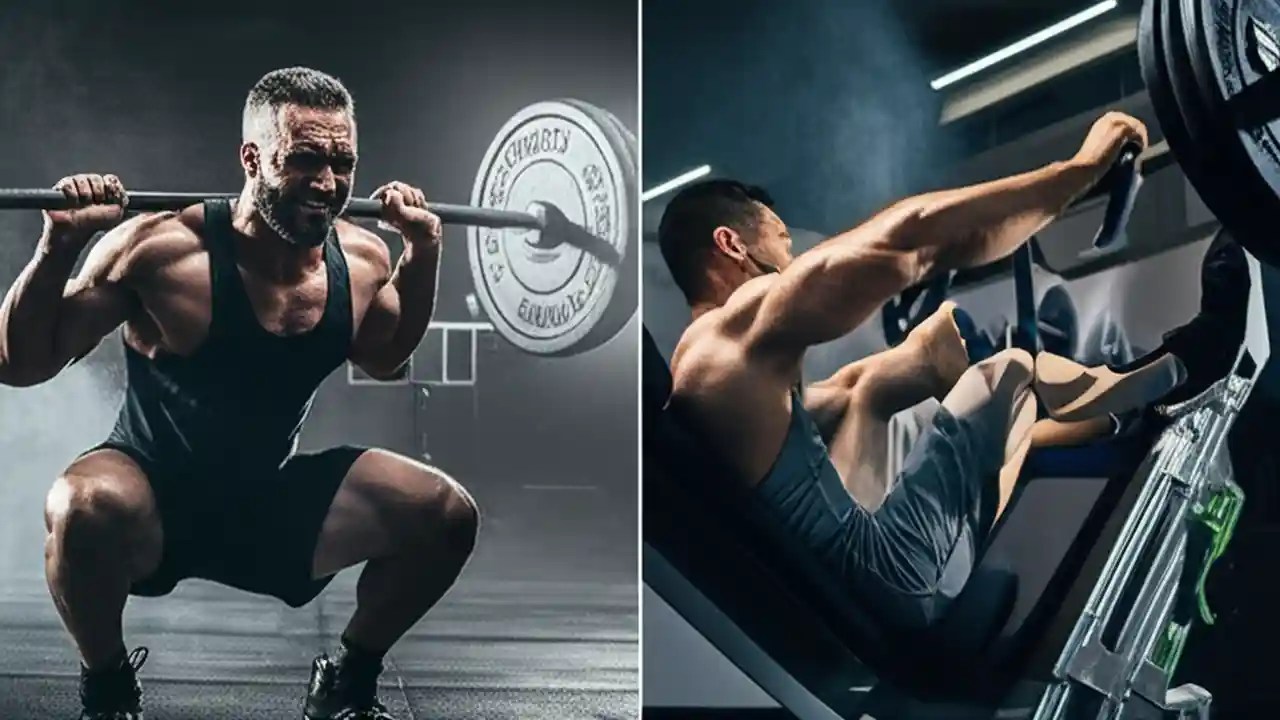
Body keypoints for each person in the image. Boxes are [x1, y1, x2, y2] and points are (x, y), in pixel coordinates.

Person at [0, 67, 478, 720]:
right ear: (252, 158)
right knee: (80, 504)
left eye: (343, 163)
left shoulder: (361, 260)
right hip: (150, 495)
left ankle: (347, 680)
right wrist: (59, 244)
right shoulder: (161, 250)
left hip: (266, 501)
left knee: (444, 514)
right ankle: (108, 689)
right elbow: (21, 364)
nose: (328, 184)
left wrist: (422, 253)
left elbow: (387, 357)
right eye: (305, 159)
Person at [655, 111, 1186, 633]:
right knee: (1008, 369)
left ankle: (1119, 418)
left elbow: (853, 391)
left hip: (860, 578)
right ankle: (1160, 383)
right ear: (732, 244)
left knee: (883, 383)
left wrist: (924, 355)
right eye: (782, 242)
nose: (792, 260)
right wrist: (1079, 170)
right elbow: (910, 240)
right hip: (895, 578)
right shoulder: (735, 331)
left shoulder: (707, 372)